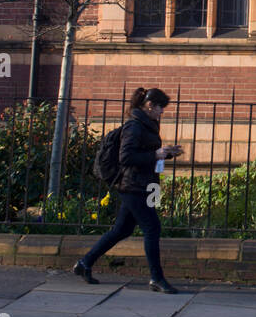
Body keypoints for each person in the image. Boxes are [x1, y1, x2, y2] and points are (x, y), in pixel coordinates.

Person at [72, 87, 184, 293]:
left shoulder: (148, 125)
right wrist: (156, 154)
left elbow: (146, 153)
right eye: (160, 108)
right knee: (152, 228)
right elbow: (126, 158)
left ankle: (84, 263)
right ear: (150, 106)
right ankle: (156, 278)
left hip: (147, 184)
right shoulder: (134, 126)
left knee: (121, 230)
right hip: (133, 186)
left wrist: (166, 154)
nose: (162, 112)